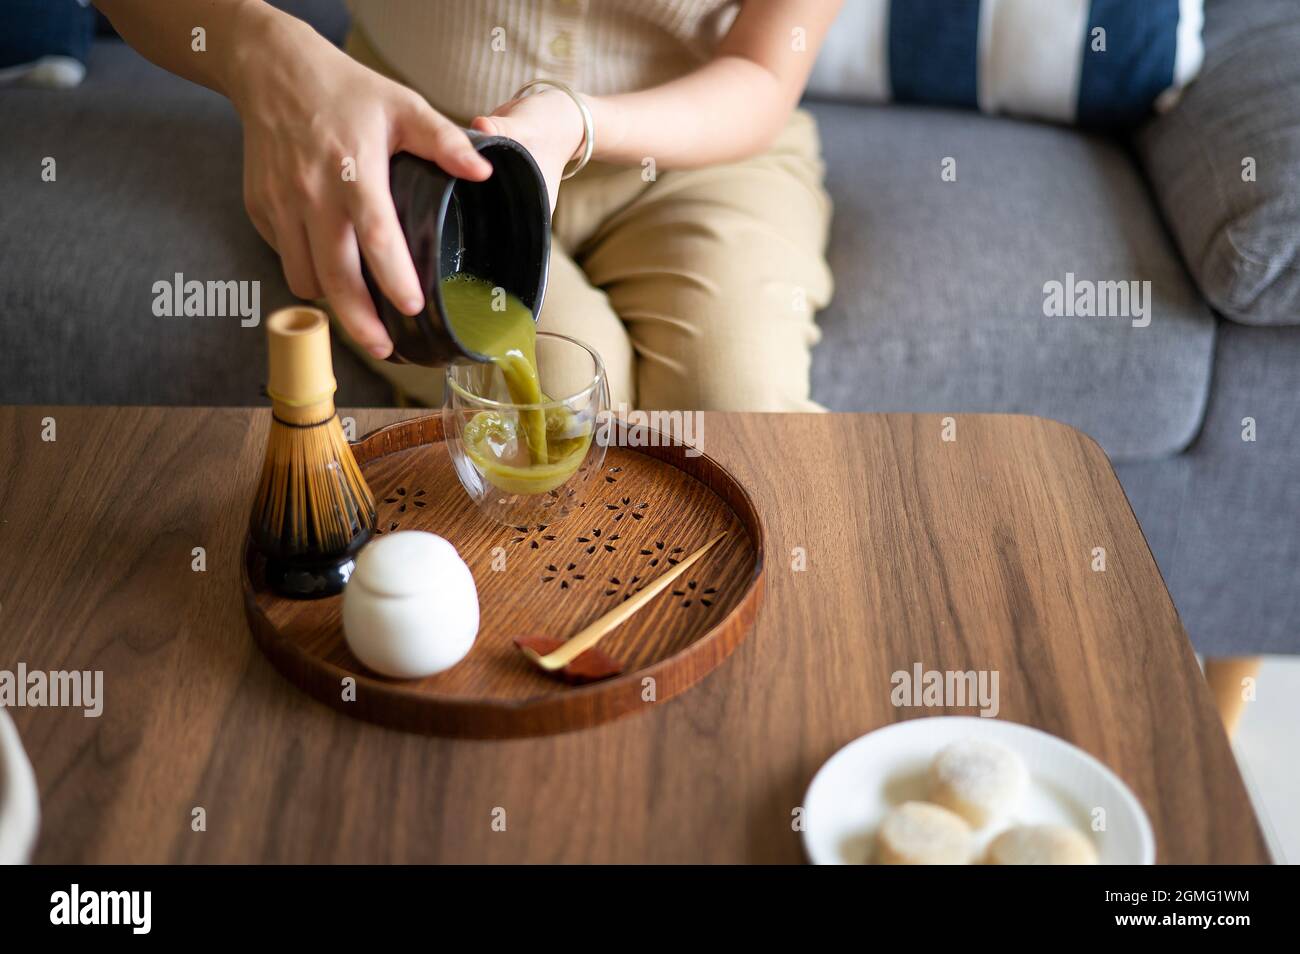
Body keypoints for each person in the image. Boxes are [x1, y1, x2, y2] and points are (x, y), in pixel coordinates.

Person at [96, 0, 840, 411]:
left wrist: (576, 121)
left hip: (697, 151)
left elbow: (763, 68)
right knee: (555, 396)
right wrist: (258, 50)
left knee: (742, 408)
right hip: (416, 148)